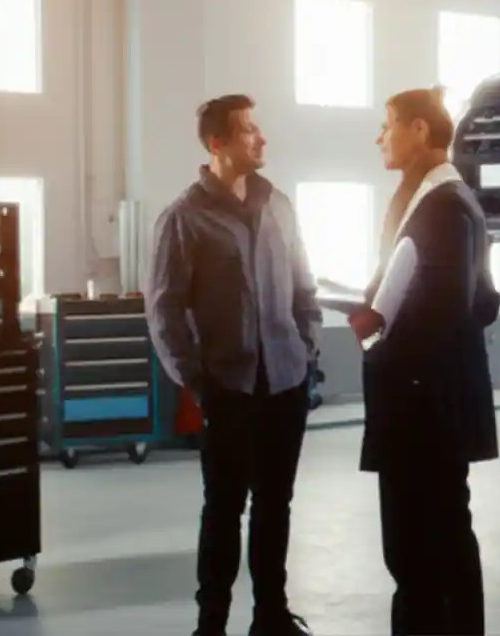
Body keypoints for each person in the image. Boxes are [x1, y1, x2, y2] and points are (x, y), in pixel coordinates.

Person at [144, 94, 321, 636]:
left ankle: (270, 614)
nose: (261, 138)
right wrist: (197, 380)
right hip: (229, 387)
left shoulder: (279, 205)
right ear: (217, 142)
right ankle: (212, 624)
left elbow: (302, 285)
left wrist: (307, 349)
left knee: (276, 503)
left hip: (285, 382)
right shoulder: (184, 218)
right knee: (223, 509)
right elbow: (165, 307)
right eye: (248, 130)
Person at [348, 86, 500, 635]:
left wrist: (368, 329)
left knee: (423, 547)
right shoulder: (428, 199)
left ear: (419, 130)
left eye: (388, 123)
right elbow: (476, 300)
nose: (379, 136)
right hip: (422, 404)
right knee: (435, 541)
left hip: (423, 410)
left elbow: (442, 310)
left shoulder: (444, 206)